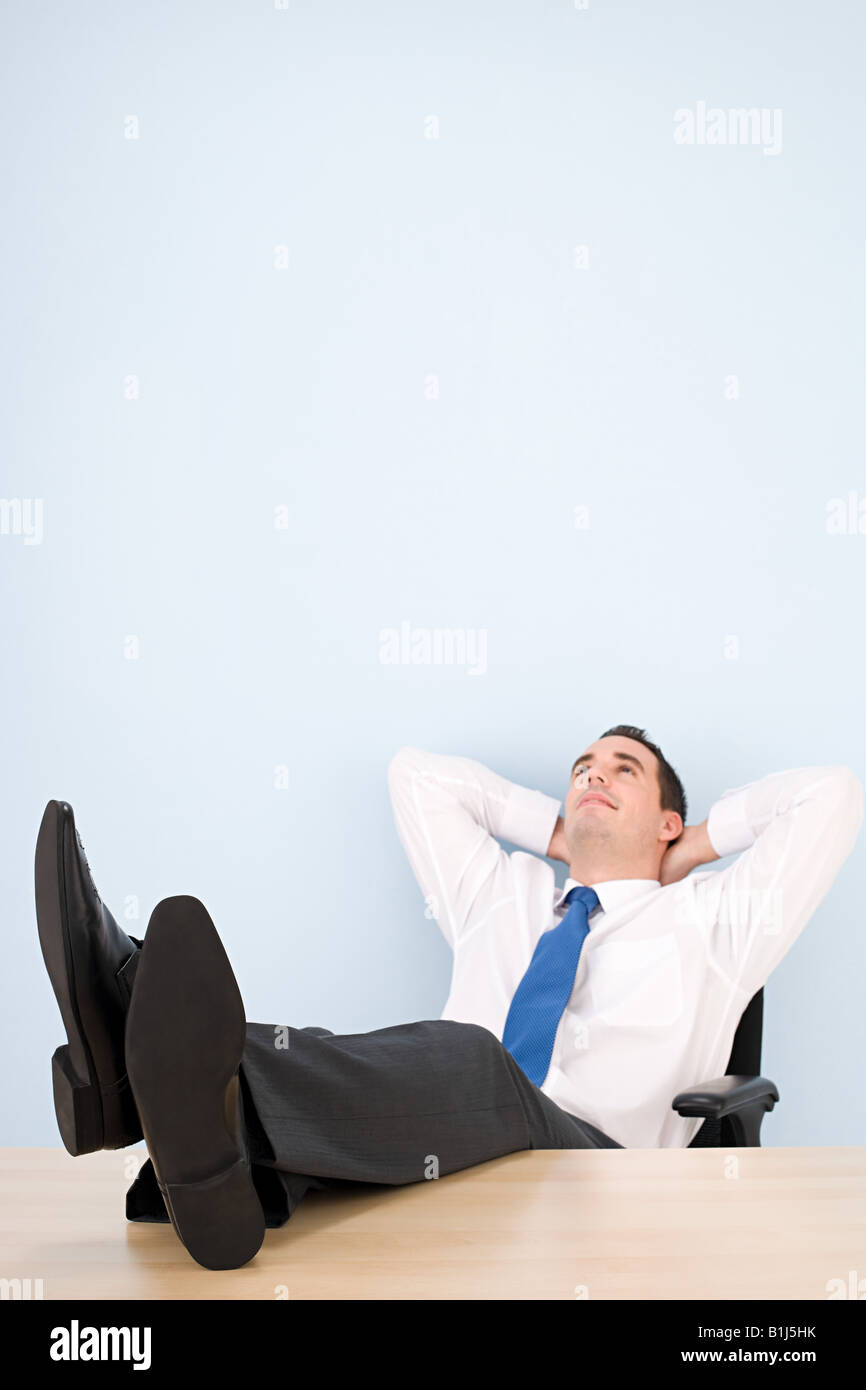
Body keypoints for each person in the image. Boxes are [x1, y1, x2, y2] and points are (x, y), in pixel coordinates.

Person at [34, 725, 863, 1269]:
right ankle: (209, 1166)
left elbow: (832, 794)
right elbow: (416, 777)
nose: (591, 777)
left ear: (669, 821)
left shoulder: (715, 919)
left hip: (600, 1172)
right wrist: (560, 830)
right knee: (359, 1055)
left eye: (623, 771)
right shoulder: (501, 894)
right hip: (455, 1147)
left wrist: (698, 850)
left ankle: (125, 1041)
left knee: (471, 1053)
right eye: (582, 769)